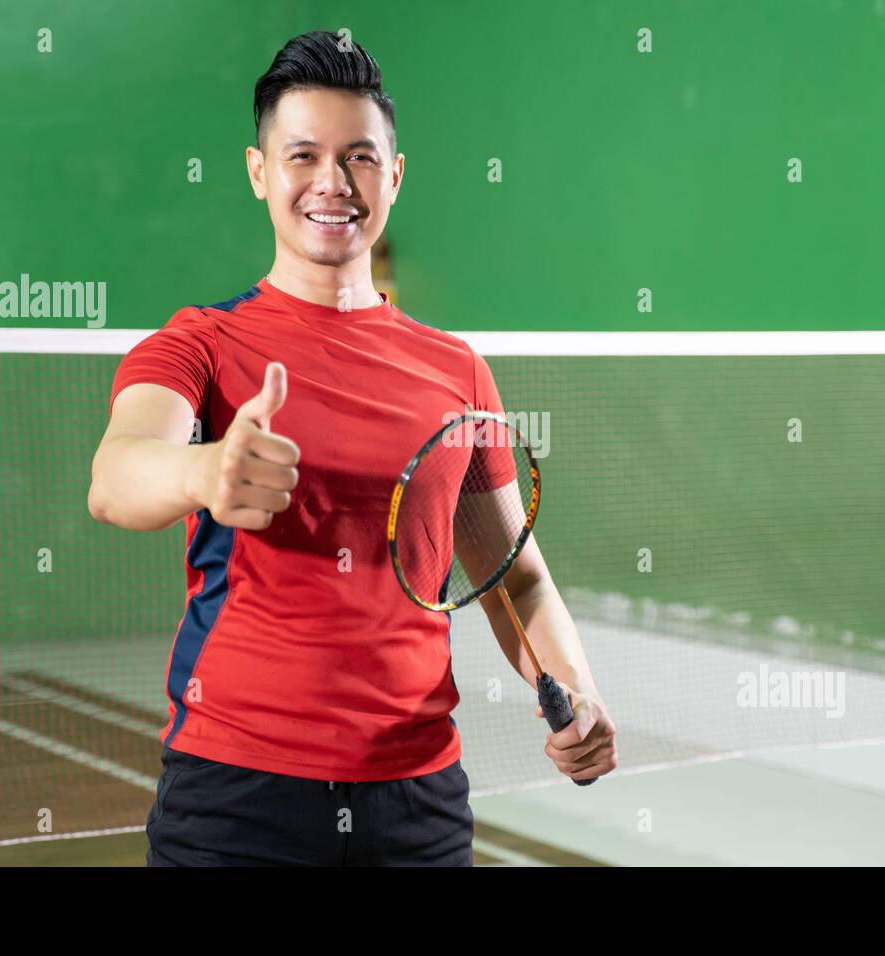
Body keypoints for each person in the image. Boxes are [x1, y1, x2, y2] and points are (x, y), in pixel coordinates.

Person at [87, 30, 616, 866]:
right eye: (302, 155)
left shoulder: (459, 372)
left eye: (359, 158)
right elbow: (116, 477)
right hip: (234, 796)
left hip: (416, 805)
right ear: (259, 171)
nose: (331, 182)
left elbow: (514, 575)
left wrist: (579, 693)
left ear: (393, 178)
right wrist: (204, 469)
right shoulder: (201, 344)